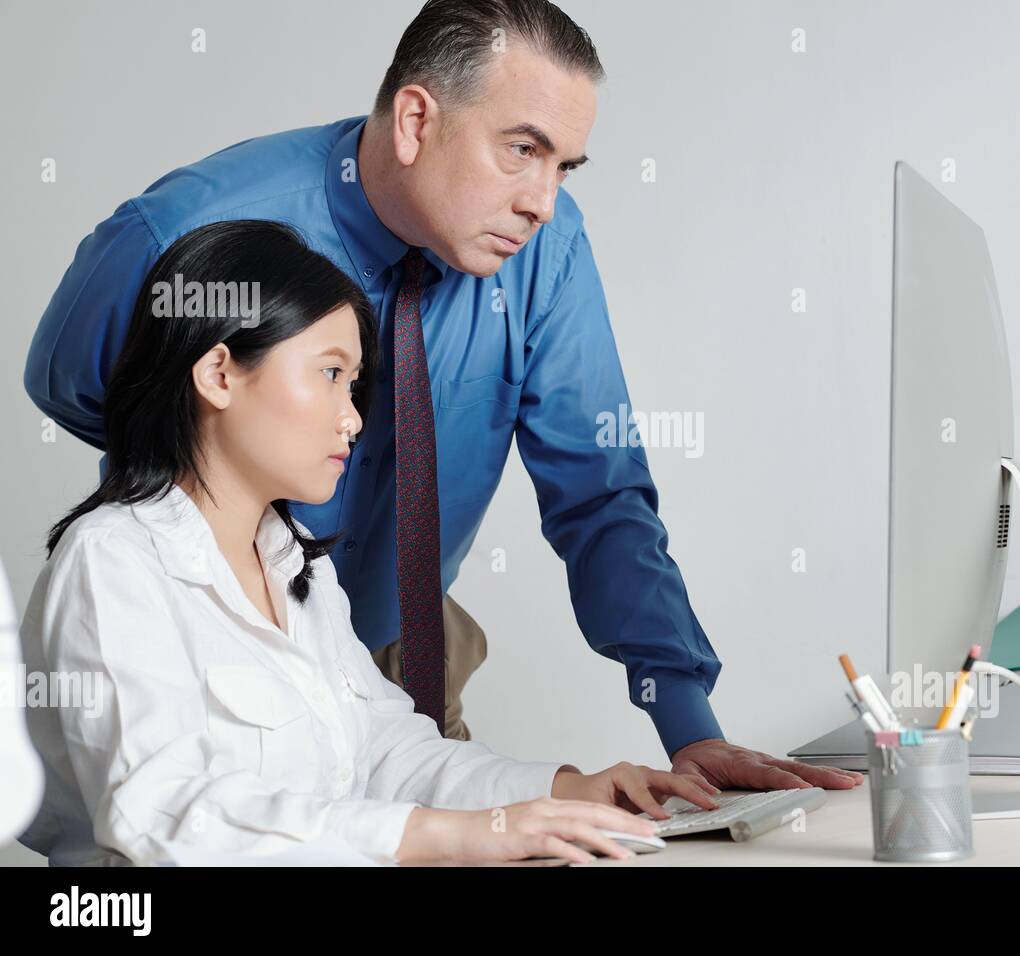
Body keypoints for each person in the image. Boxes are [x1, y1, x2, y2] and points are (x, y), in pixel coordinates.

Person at [23, 0, 862, 792]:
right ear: (418, 120)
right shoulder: (185, 234)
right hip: (214, 663)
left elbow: (599, 493)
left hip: (403, 670)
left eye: (566, 166)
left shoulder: (545, 250)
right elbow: (78, 385)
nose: (543, 201)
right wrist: (234, 545)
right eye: (522, 150)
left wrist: (688, 728)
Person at [18, 220, 719, 866]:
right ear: (219, 372)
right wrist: (454, 835)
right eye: (329, 375)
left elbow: (390, 753)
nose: (353, 419)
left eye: (354, 386)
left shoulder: (297, 566)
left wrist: (571, 791)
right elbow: (167, 814)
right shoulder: (113, 560)